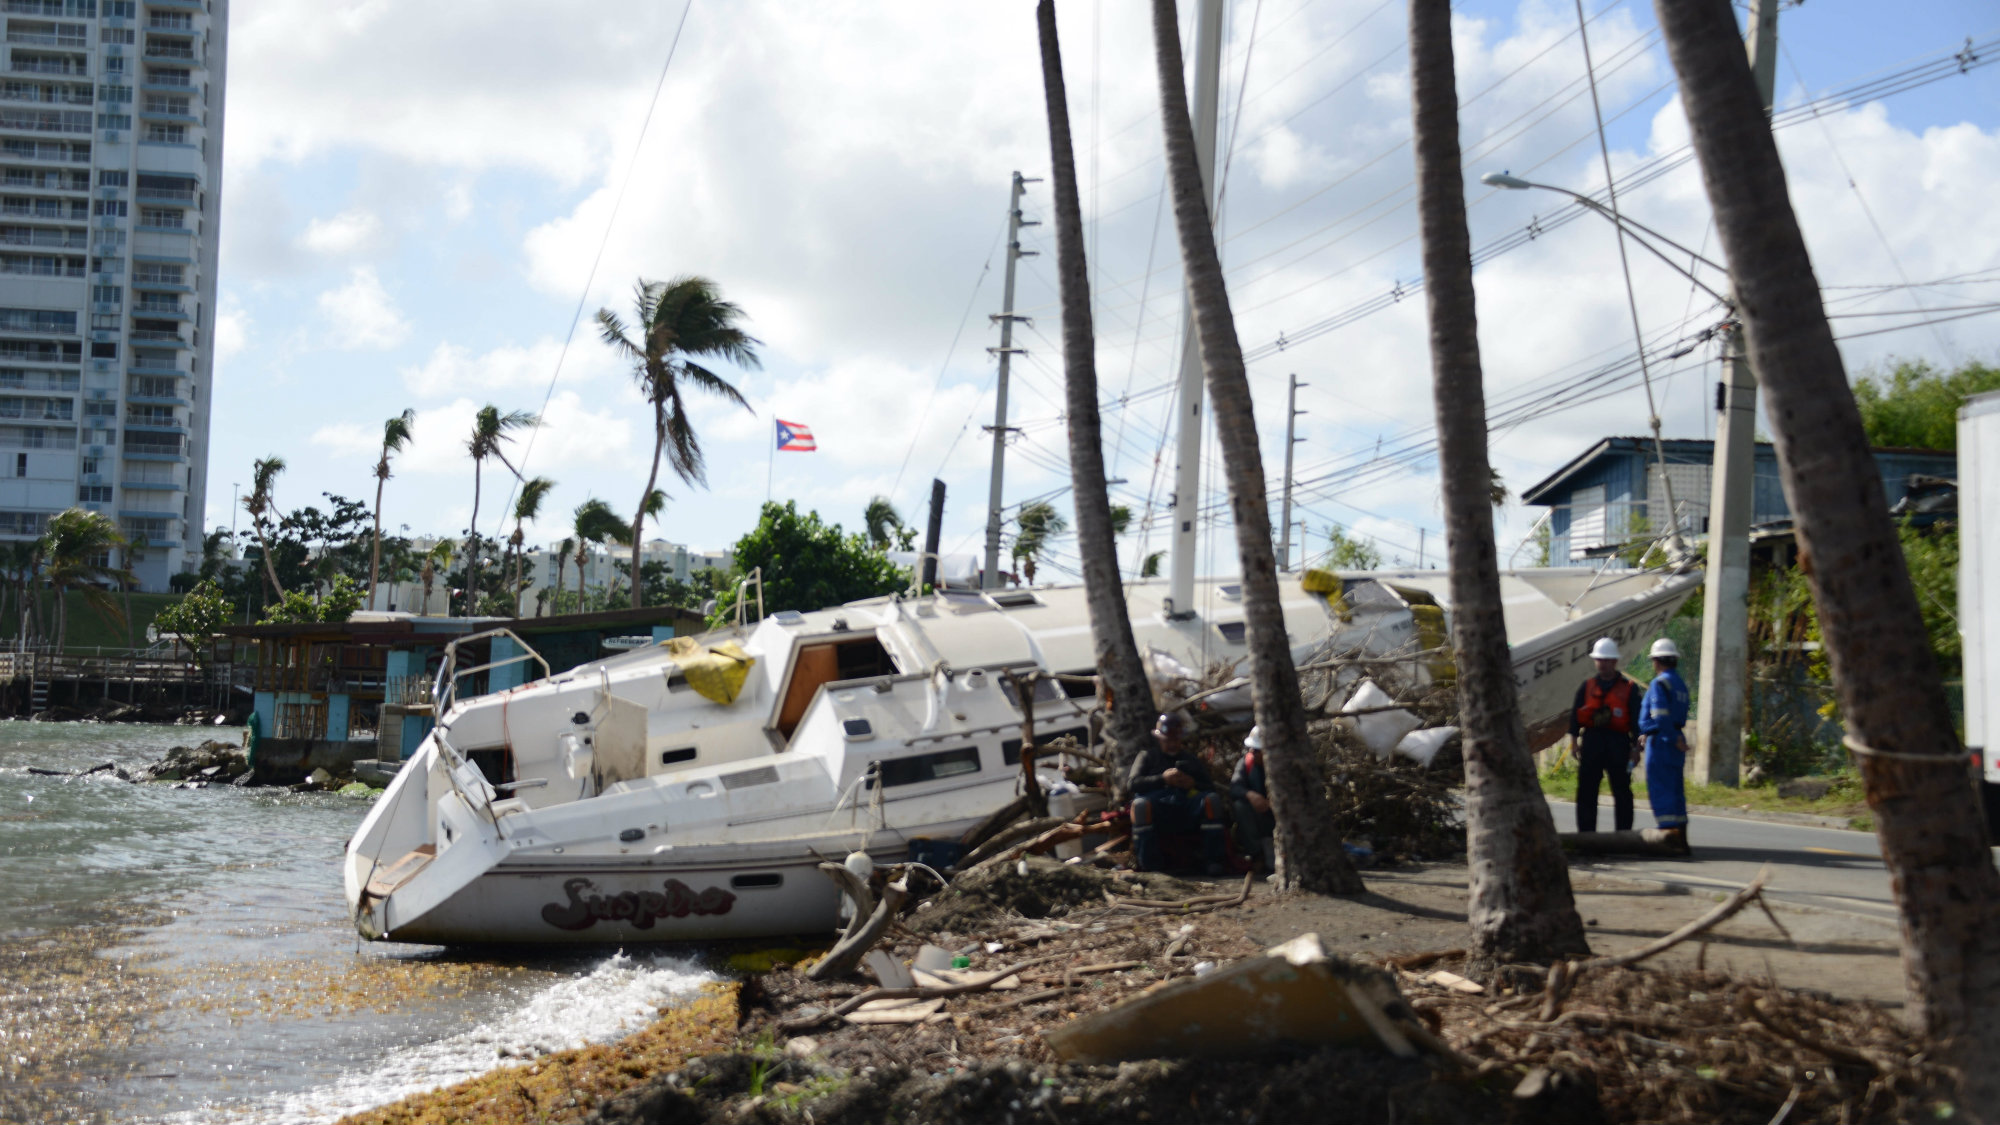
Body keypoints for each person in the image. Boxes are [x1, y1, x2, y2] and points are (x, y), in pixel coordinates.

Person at [1126, 711, 1228, 875]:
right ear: (1159, 739)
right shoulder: (1147, 757)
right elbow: (1132, 784)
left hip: (1186, 807)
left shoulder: (1190, 759)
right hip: (1158, 808)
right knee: (1140, 805)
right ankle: (1151, 866)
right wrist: (1162, 779)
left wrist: (1192, 783)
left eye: (1176, 740)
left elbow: (1209, 787)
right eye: (1168, 741)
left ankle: (1213, 861)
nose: (1172, 744)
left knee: (1212, 800)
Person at [1568, 637, 1642, 833]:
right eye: (1599, 660)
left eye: (1606, 660)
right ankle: (1586, 835)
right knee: (1586, 789)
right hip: (1592, 740)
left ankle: (1623, 835)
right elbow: (1575, 716)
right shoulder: (1587, 686)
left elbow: (1636, 721)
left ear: (1615, 662)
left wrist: (1636, 748)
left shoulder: (1629, 688)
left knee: (1622, 790)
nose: (1602, 663)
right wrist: (1574, 743)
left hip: (1618, 743)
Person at [1638, 637, 1692, 852]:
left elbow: (1659, 714)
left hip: (1662, 740)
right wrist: (1676, 737)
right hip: (1675, 736)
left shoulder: (1659, 683)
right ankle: (1683, 837)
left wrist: (1668, 736)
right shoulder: (1680, 684)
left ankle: (1669, 839)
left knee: (1661, 788)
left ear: (1657, 661)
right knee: (1675, 788)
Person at [1229, 725, 1276, 874]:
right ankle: (1257, 854)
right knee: (1240, 806)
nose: (1252, 752)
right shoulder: (1246, 763)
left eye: (1257, 750)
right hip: (1259, 816)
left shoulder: (1284, 765)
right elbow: (1235, 787)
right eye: (1251, 748)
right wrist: (1251, 795)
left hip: (1280, 818)